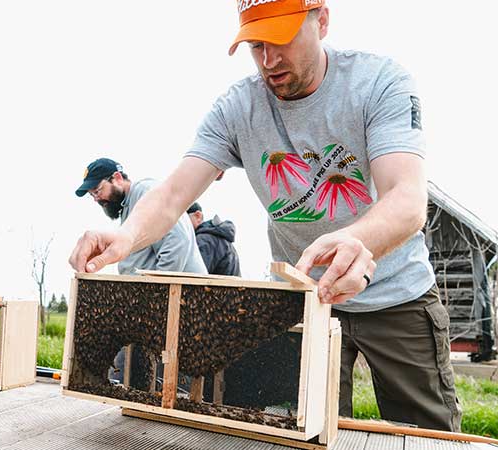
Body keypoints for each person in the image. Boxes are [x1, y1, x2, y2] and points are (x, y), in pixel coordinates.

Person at [69, 0, 461, 431]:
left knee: (428, 433)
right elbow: (172, 195)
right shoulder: (237, 108)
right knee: (302, 429)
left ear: (322, 21)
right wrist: (125, 238)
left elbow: (407, 197)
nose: (269, 60)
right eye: (256, 45)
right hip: (305, 299)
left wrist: (358, 241)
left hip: (396, 293)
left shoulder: (378, 83)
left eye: (281, 39)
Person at [75, 157, 206, 275]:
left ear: (117, 178)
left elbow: (176, 241)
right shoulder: (127, 207)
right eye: (92, 195)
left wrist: (158, 288)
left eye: (97, 191)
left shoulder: (145, 191)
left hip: (179, 292)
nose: (96, 199)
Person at [187, 202, 241, 276]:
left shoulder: (205, 239)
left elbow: (194, 276)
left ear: (198, 216)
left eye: (183, 219)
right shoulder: (218, 238)